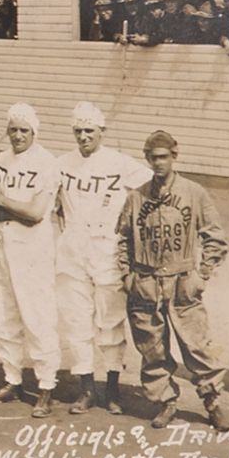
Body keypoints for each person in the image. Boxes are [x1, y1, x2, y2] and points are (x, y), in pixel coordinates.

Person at [120, 131, 229, 430]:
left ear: (174, 156)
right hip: (146, 282)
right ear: (146, 159)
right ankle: (166, 402)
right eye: (152, 158)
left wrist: (201, 274)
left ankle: (212, 403)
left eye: (163, 157)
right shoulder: (136, 196)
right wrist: (128, 276)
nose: (158, 163)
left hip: (182, 283)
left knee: (198, 346)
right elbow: (123, 240)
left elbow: (215, 238)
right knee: (153, 349)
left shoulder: (194, 193)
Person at [57, 104, 154, 414]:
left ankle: (111, 388)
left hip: (107, 249)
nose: (84, 136)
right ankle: (86, 389)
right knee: (76, 320)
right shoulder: (61, 164)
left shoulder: (121, 162)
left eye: (90, 131)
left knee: (110, 321)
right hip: (72, 248)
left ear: (102, 131)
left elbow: (153, 189)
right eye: (78, 131)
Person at [0, 103, 69, 416]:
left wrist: (3, 201)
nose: (17, 135)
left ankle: (46, 386)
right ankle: (11, 379)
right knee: (3, 315)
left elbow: (35, 212)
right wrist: (5, 206)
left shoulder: (46, 163)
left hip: (33, 250)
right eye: (13, 129)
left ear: (34, 132)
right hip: (2, 246)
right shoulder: (1, 159)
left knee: (37, 315)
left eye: (24, 130)